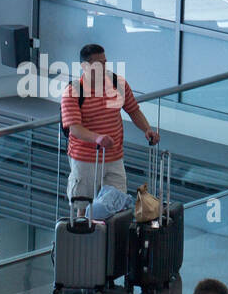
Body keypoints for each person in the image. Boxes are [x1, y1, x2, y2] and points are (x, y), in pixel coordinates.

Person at [60, 43, 159, 203]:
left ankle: (109, 229)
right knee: (83, 207)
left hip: (114, 157)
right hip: (85, 159)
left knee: (116, 204)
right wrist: (97, 138)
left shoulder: (118, 83)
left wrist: (147, 129)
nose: (103, 68)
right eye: (98, 64)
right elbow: (75, 128)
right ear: (84, 66)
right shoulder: (73, 92)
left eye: (105, 63)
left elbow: (133, 110)